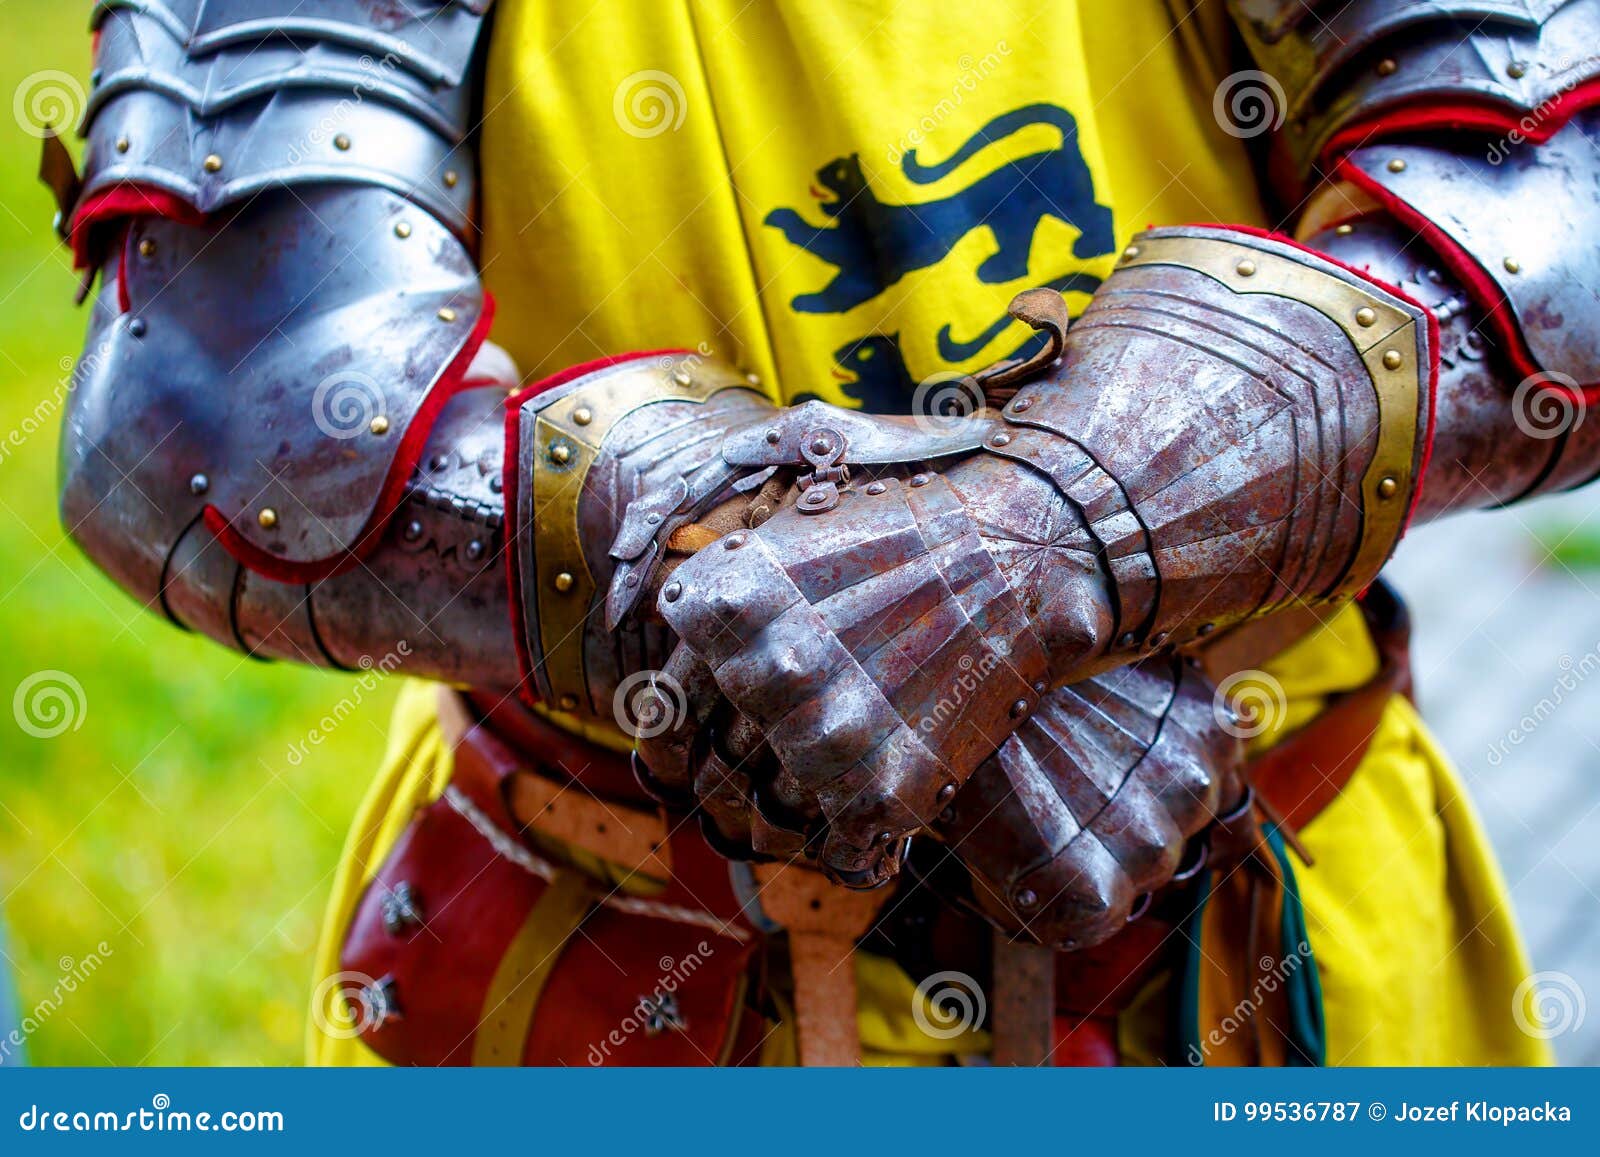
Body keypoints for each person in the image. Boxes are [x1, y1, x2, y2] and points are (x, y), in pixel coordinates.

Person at [48, 0, 1595, 1065]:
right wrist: (751, 586)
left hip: (1248, 943)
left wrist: (1045, 540)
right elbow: (222, 403)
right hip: (623, 970)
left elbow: (1548, 225)